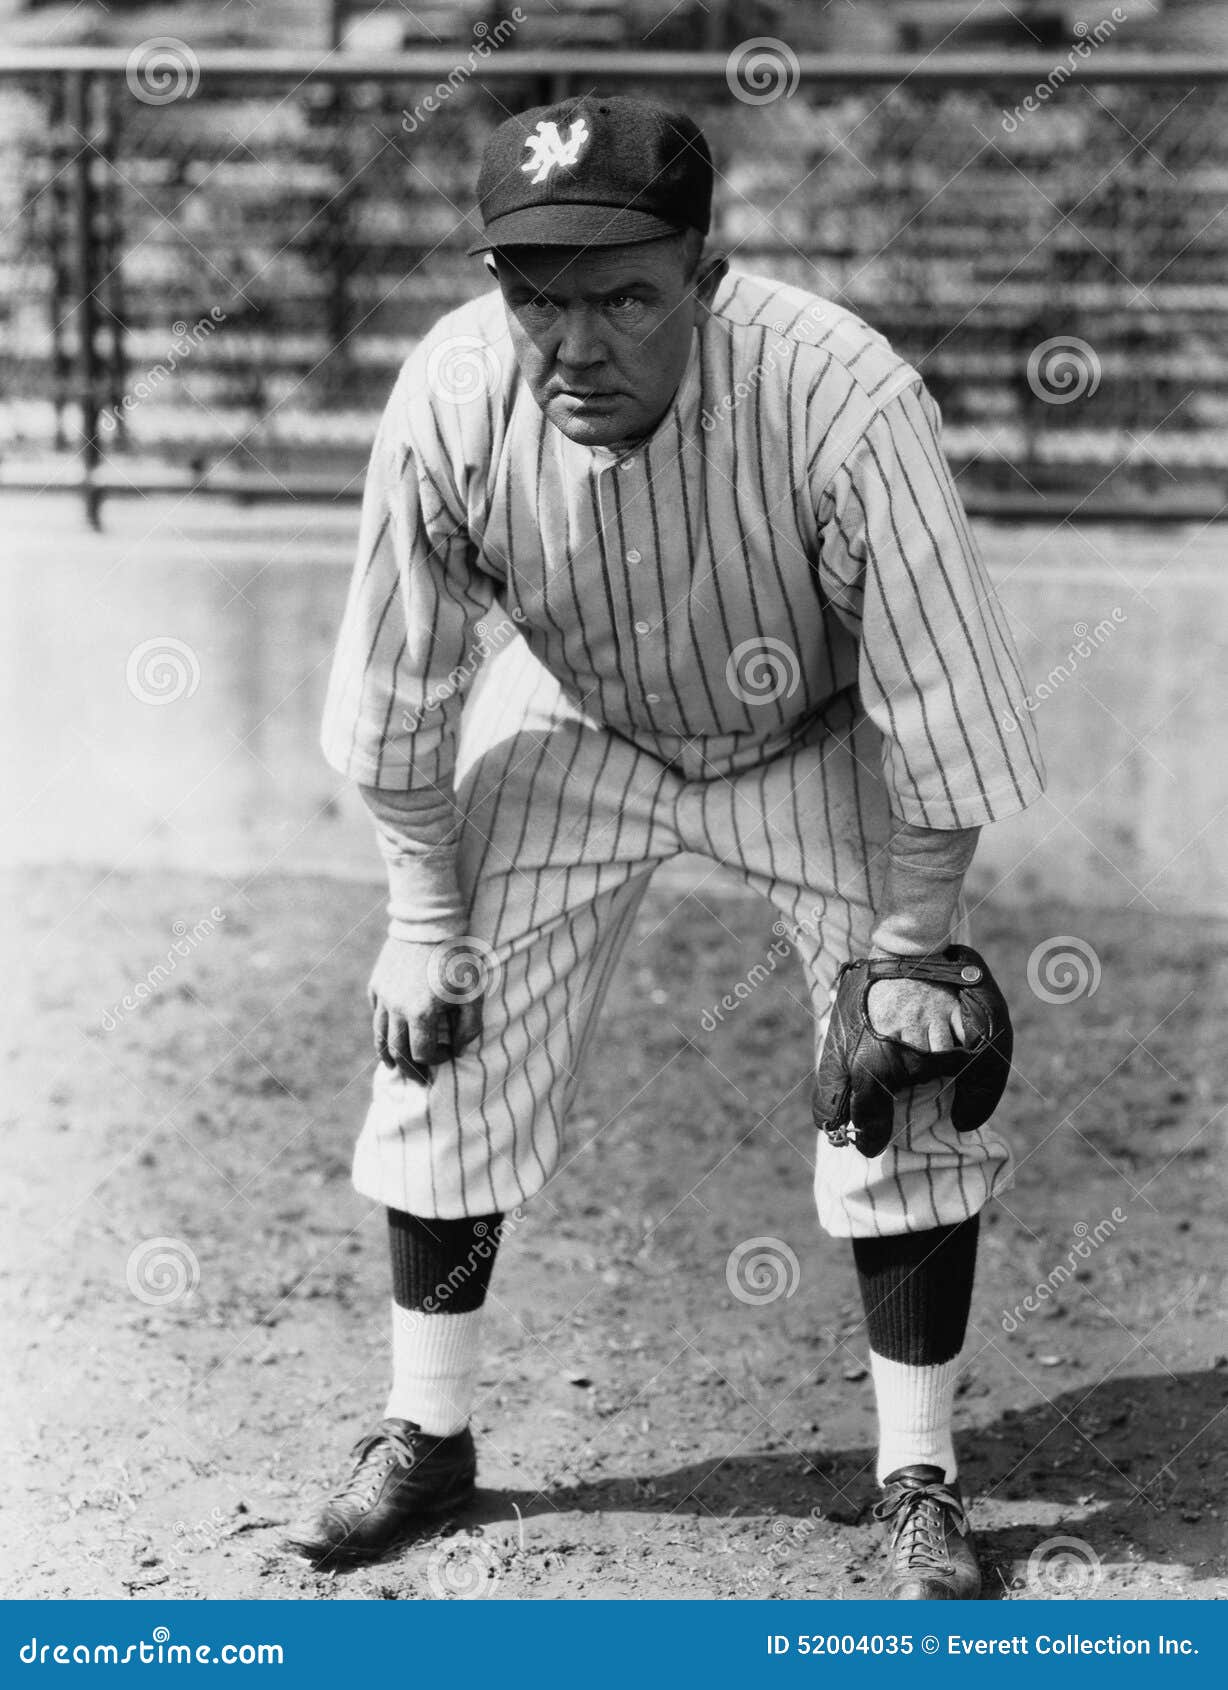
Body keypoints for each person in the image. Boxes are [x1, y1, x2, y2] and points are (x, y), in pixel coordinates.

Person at [284, 94, 1044, 1599]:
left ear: (708, 273)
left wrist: (908, 947)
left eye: (625, 294)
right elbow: (395, 698)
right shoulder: (451, 397)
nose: (576, 343)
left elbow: (941, 699)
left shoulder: (839, 396)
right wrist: (424, 918)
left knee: (919, 1057)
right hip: (574, 721)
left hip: (815, 734)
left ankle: (918, 1473)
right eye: (538, 297)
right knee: (440, 1031)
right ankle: (428, 1430)